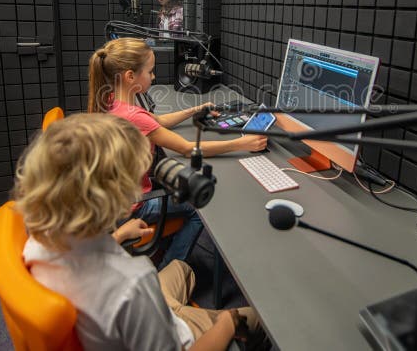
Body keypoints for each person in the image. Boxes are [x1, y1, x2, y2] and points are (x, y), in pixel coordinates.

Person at [15, 113, 261, 351]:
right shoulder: (132, 283)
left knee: (182, 269)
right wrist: (227, 323)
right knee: (255, 318)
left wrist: (118, 236)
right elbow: (130, 289)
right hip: (177, 336)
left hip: (125, 316)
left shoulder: (40, 239)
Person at [87, 37, 267, 268]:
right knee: (200, 208)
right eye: (150, 72)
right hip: (133, 207)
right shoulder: (134, 117)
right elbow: (187, 148)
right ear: (130, 76)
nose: (153, 77)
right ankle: (171, 268)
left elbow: (159, 121)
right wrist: (243, 143)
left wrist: (196, 109)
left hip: (112, 202)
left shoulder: (112, 101)